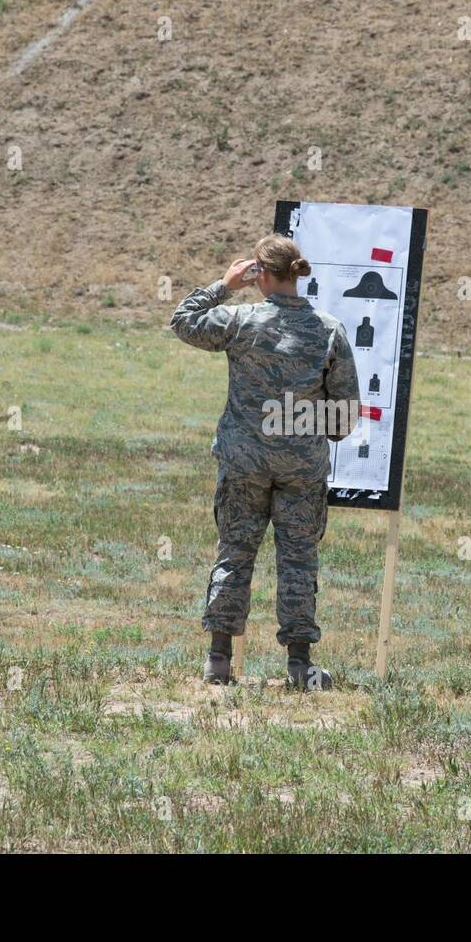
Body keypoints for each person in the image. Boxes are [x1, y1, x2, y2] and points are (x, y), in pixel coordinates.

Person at [171, 235, 361, 689]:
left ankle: (218, 660)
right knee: (298, 560)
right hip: (301, 467)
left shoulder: (241, 321)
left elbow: (183, 321)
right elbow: (346, 414)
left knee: (235, 553)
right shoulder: (328, 330)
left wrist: (223, 284)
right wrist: (306, 428)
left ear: (260, 272)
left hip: (243, 462)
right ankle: (299, 665)